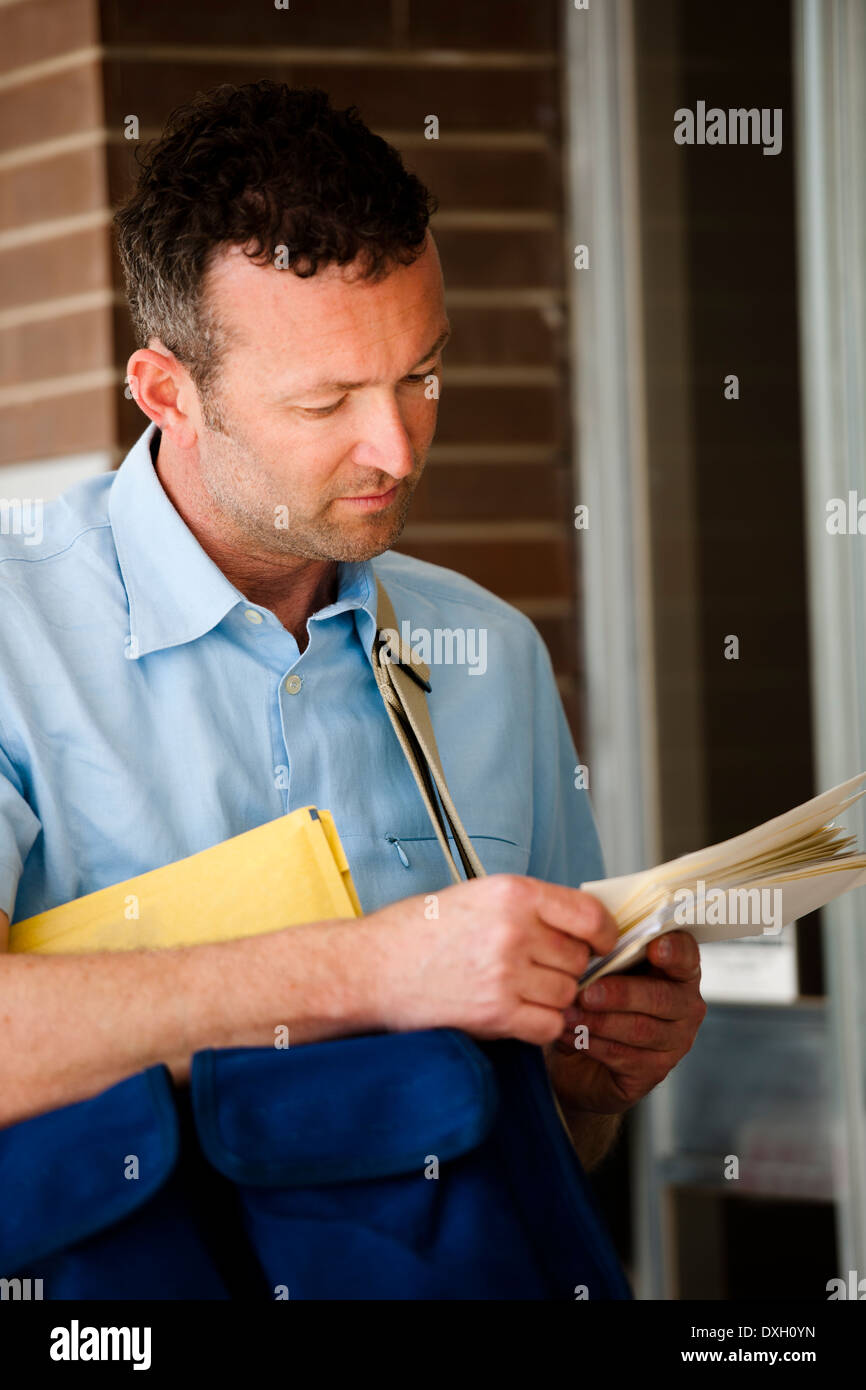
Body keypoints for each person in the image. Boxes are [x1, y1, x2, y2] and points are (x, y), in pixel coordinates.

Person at [0, 83, 704, 1200]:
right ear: (166, 392)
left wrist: (594, 1076)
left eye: (418, 376)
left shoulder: (491, 652)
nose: (394, 446)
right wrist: (375, 972)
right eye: (326, 402)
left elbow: (561, 1144)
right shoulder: (12, 632)